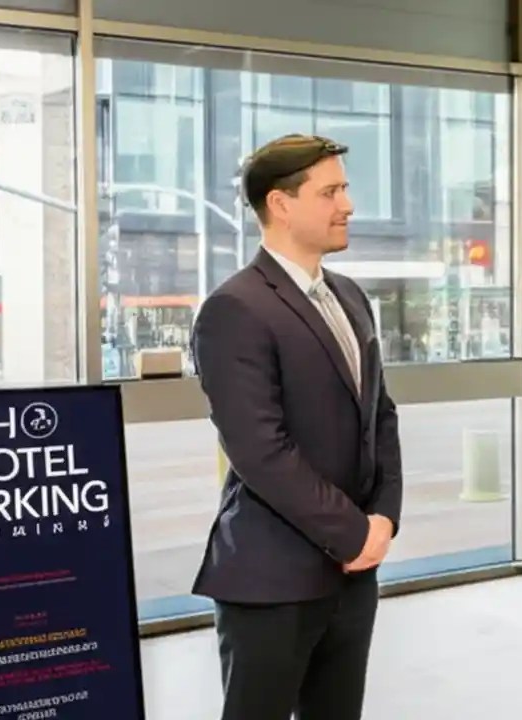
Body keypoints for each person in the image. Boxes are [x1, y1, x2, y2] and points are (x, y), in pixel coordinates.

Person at [190, 134, 403, 720]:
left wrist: (384, 518)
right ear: (280, 204)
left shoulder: (350, 296)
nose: (348, 205)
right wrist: (354, 533)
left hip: (353, 576)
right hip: (272, 580)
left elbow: (380, 414)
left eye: (345, 189)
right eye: (330, 192)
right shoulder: (234, 308)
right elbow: (261, 452)